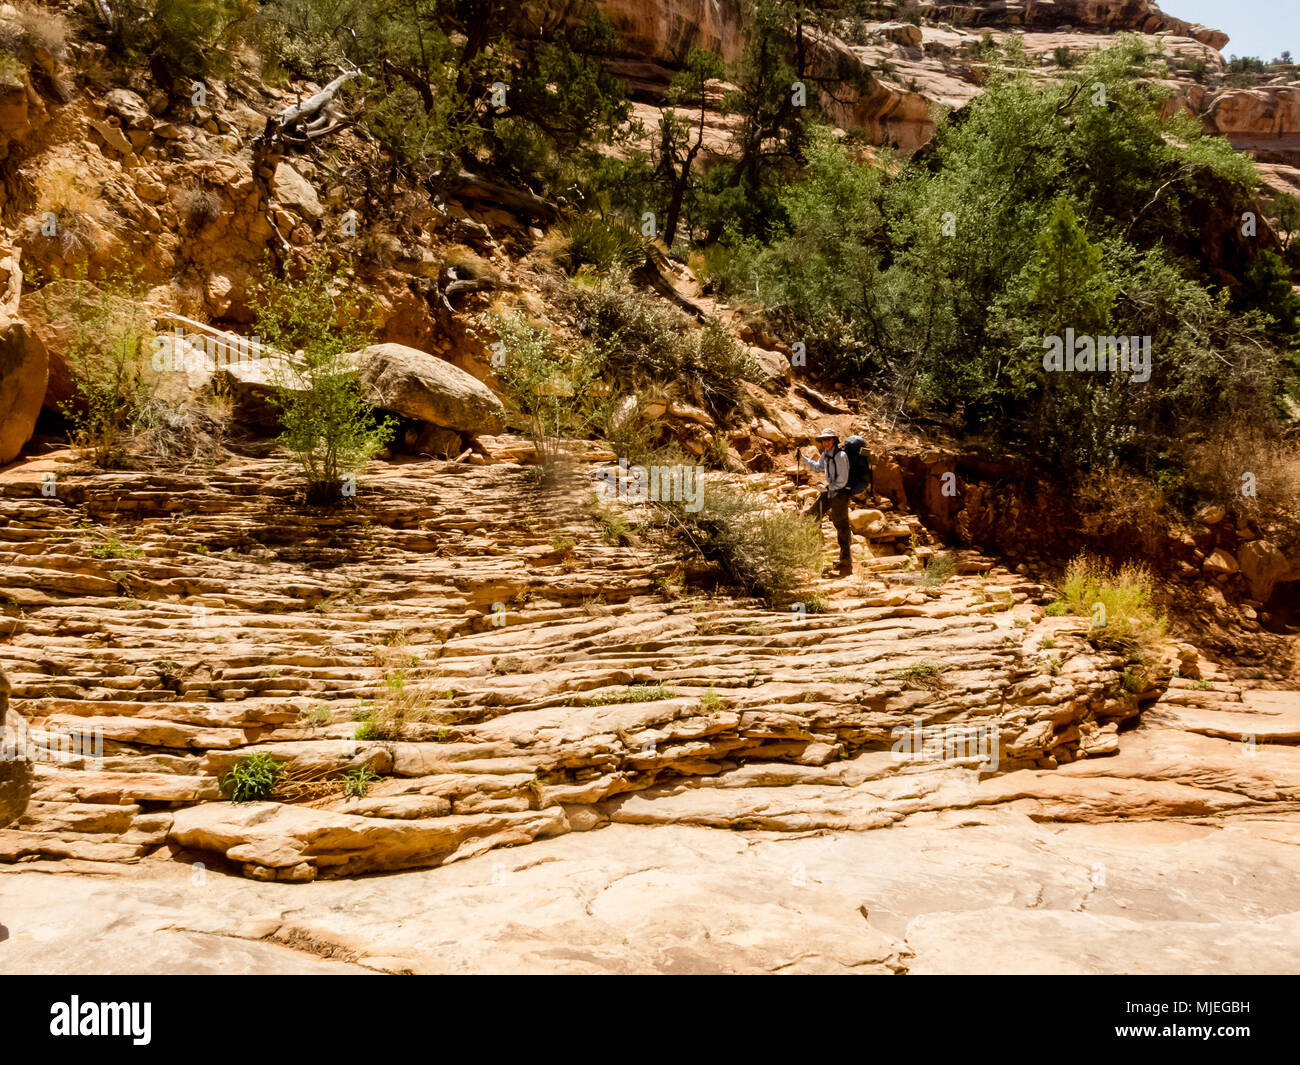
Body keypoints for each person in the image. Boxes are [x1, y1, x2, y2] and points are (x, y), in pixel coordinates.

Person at [799, 428, 853, 576]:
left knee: (841, 525)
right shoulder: (825, 455)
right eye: (824, 440)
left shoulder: (841, 456)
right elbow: (818, 467)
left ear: (834, 440)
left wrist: (828, 488)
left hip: (840, 493)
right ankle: (813, 553)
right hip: (830, 490)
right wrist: (803, 459)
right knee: (813, 516)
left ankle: (846, 560)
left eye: (829, 439)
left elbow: (842, 480)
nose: (826, 442)